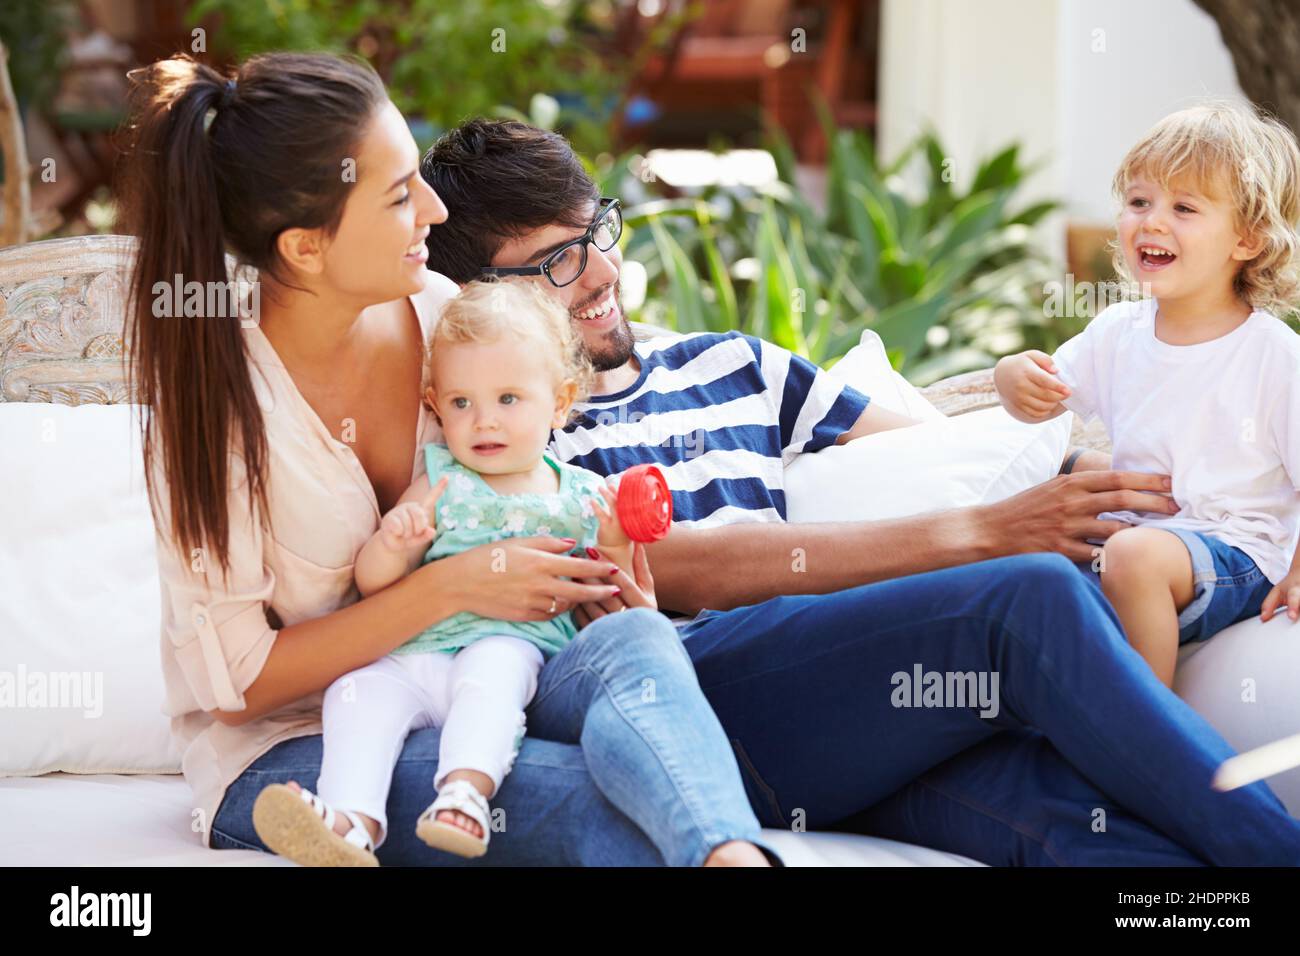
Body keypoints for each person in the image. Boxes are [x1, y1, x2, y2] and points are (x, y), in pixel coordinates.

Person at [418, 117, 1300, 865]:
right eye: (557, 262)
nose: (602, 273)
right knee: (1024, 596)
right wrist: (985, 535)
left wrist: (1166, 511)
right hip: (695, 696)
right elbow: (683, 568)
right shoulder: (504, 422)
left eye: (597, 233)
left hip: (848, 716)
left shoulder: (737, 364)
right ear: (481, 295)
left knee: (1085, 826)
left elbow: (956, 446)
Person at [123, 52, 770, 867]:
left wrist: (607, 576)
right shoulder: (214, 413)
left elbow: (533, 496)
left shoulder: (439, 314)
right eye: (398, 195)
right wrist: (449, 587)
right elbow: (239, 685)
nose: (432, 207)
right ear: (305, 247)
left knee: (643, 650)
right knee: (612, 806)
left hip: (490, 674)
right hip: (303, 746)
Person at [250, 278, 775, 865]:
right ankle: (349, 820)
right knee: (354, 693)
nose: (483, 423)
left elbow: (608, 594)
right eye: (460, 403)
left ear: (558, 401)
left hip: (509, 648)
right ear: (434, 405)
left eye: (507, 399)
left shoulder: (582, 495)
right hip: (415, 656)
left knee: (492, 681)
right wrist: (395, 544)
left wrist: (614, 545)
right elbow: (373, 585)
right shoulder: (441, 478)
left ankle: (465, 795)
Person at [997, 102, 1300, 688]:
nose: (1153, 221)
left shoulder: (1273, 354)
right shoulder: (1118, 332)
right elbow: (1044, 395)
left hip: (1235, 550)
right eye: (1140, 202)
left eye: (1184, 208)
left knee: (1136, 556)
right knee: (1029, 565)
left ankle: (1145, 731)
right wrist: (1014, 378)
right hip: (1130, 541)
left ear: (1247, 239)